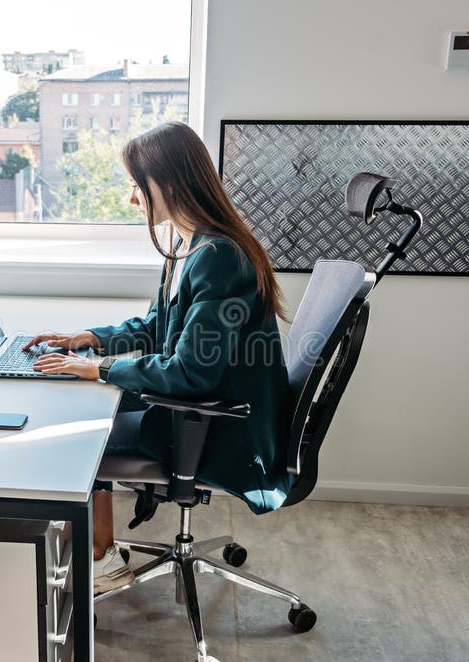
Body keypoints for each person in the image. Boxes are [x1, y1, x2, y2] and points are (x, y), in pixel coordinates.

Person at [23, 121, 290, 594]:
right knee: (88, 408)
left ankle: (101, 558)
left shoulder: (217, 257)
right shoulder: (189, 246)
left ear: (167, 182)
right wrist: (86, 339)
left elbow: (189, 371)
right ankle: (99, 550)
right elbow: (155, 330)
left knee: (84, 435)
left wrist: (98, 369)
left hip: (220, 429)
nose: (132, 200)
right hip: (201, 413)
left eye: (136, 186)